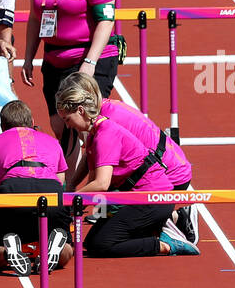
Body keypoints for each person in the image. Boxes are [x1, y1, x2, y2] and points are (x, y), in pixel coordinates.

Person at [55, 74, 198, 257]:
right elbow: (93, 167)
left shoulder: (107, 129)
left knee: (103, 243)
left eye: (67, 119)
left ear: (81, 109)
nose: (67, 126)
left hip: (161, 186)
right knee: (93, 242)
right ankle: (164, 222)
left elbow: (101, 184)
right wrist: (75, 190)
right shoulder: (96, 127)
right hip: (144, 187)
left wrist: (70, 199)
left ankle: (166, 241)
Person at [20, 0, 120, 159]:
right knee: (59, 124)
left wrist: (90, 62)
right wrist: (28, 58)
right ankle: (72, 187)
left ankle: (102, 179)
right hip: (54, 59)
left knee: (83, 125)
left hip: (86, 57)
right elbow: (35, 18)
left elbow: (106, 21)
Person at [0, 99, 72, 276]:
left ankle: (7, 252)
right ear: (33, 122)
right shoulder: (53, 142)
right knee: (67, 248)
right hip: (51, 192)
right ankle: (54, 251)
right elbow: (61, 183)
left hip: (12, 192)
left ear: (2, 126)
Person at [97, 97, 200, 244]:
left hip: (168, 179)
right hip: (167, 169)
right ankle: (165, 220)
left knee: (116, 222)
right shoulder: (109, 106)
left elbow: (101, 178)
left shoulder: (107, 123)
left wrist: (79, 199)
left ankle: (172, 220)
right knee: (112, 214)